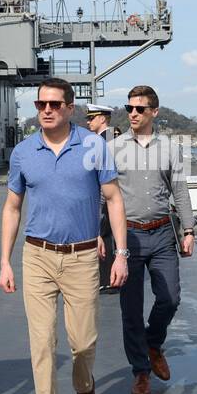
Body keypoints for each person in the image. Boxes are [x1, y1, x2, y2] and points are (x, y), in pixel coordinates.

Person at [0, 80, 128, 394]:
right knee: (41, 347)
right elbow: (12, 207)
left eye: (55, 103)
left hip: (83, 257)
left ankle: (84, 386)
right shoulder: (24, 152)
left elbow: (114, 198)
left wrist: (120, 254)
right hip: (37, 257)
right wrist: (5, 260)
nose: (47, 109)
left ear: (70, 108)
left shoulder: (93, 146)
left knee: (83, 342)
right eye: (41, 103)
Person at [108, 85, 197, 394]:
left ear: (154, 112)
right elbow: (101, 196)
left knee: (170, 297)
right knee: (130, 309)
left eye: (140, 109)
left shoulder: (171, 148)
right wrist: (98, 237)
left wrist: (189, 230)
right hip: (127, 235)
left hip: (161, 234)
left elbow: (180, 190)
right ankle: (141, 371)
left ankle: (153, 342)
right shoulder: (113, 148)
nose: (133, 113)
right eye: (129, 108)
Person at [83, 103, 117, 290]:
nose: (88, 121)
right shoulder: (99, 139)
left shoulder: (109, 139)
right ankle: (106, 278)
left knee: (104, 234)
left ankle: (107, 279)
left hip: (107, 193)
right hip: (103, 192)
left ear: (102, 119)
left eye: (92, 118)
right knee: (105, 234)